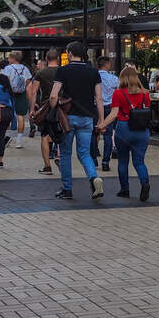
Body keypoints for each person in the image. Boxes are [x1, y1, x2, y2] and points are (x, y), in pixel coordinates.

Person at [50, 41, 104, 200]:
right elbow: (99, 98)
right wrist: (101, 120)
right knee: (84, 153)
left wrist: (53, 111)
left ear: (70, 53)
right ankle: (94, 178)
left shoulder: (63, 70)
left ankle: (67, 189)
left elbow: (53, 95)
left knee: (65, 153)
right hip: (87, 118)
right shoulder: (93, 72)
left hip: (68, 118)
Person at [101, 63, 153, 202]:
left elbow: (114, 114)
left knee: (123, 161)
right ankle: (145, 182)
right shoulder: (145, 94)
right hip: (142, 130)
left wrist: (102, 125)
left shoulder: (118, 93)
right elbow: (147, 111)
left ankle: (124, 189)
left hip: (124, 129)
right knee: (139, 161)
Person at [0, 52, 33, 151]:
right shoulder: (25, 69)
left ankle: (6, 137)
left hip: (9, 94)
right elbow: (28, 82)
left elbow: (4, 81)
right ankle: (19, 141)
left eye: (9, 58)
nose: (8, 60)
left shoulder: (8, 68)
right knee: (20, 116)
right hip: (22, 94)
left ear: (13, 58)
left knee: (7, 115)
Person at [33, 47, 60, 171]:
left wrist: (32, 108)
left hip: (45, 107)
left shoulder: (41, 73)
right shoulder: (63, 71)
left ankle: (47, 166)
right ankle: (59, 155)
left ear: (46, 58)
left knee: (44, 135)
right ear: (58, 58)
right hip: (61, 107)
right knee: (61, 132)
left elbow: (34, 92)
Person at [94, 52, 120, 170]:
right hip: (109, 107)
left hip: (95, 107)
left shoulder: (93, 77)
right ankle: (105, 162)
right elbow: (118, 92)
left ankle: (94, 159)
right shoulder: (114, 78)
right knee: (108, 136)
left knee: (93, 133)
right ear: (107, 65)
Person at [0, 69, 15, 168]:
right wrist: (14, 121)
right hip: (8, 113)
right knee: (0, 135)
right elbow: (13, 105)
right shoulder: (9, 90)